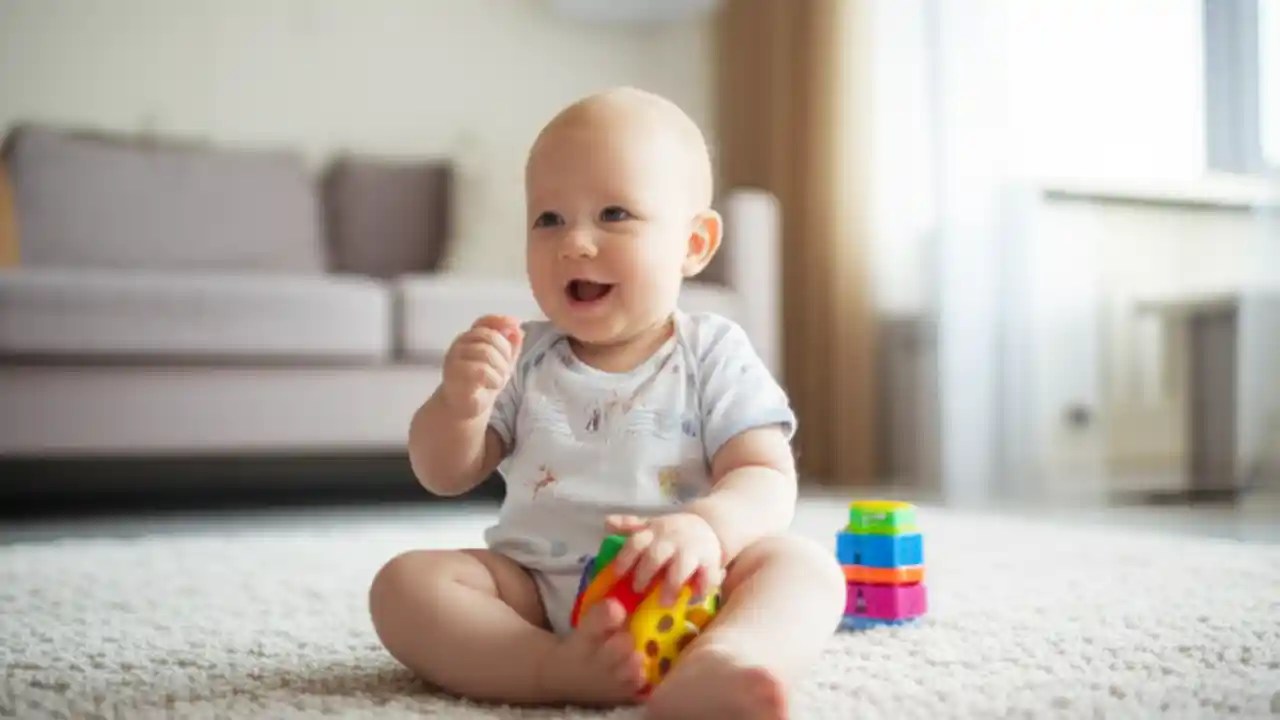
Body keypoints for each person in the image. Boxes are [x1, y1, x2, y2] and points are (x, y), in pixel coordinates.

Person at [369, 87, 845, 720]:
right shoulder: (525, 354)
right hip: (537, 594)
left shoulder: (712, 351)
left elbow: (765, 475)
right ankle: (551, 669)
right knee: (404, 586)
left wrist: (707, 527)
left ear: (694, 244)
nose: (576, 243)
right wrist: (459, 407)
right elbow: (444, 473)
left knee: (803, 568)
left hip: (691, 589)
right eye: (549, 219)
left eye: (614, 214)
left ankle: (720, 662)